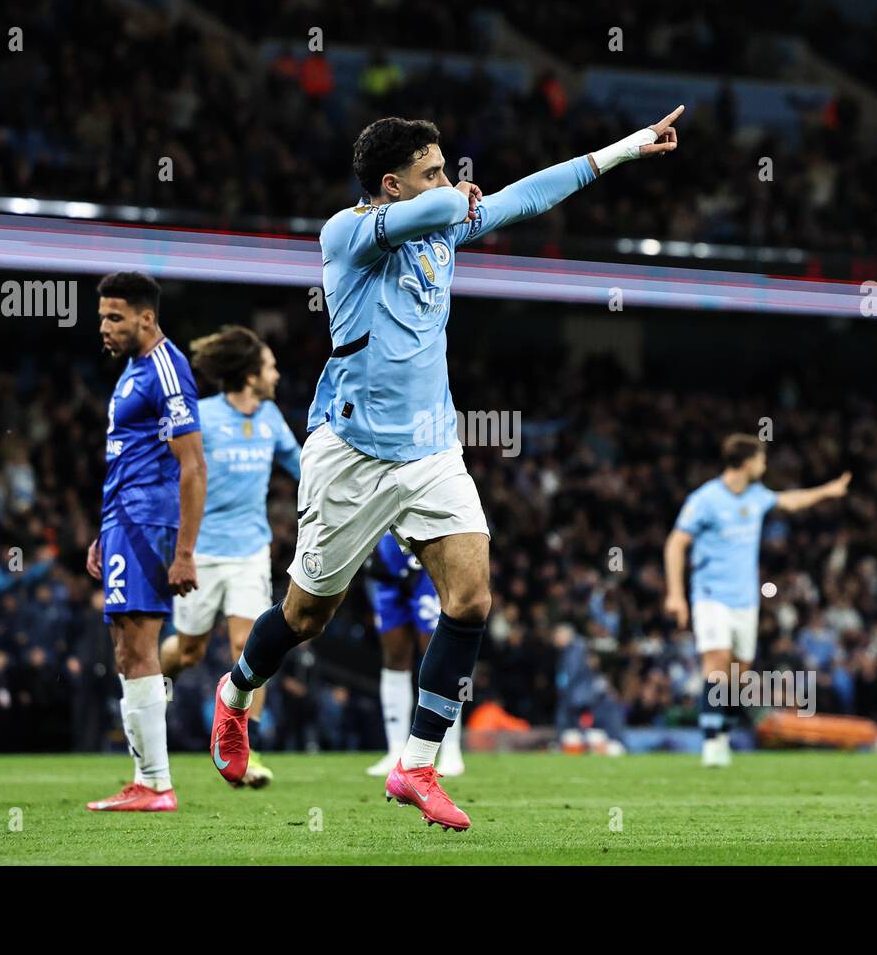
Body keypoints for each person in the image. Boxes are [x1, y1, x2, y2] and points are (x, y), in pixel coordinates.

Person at [210, 107, 686, 831]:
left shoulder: (441, 226)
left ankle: (418, 764)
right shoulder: (346, 234)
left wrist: (626, 149)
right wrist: (453, 196)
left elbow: (528, 194)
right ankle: (237, 694)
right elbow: (446, 203)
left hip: (432, 449)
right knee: (307, 614)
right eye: (433, 171)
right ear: (391, 186)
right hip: (352, 453)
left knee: (470, 600)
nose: (452, 183)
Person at [85, 272, 205, 811]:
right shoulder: (133, 371)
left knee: (139, 647)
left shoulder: (165, 368)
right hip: (123, 521)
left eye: (115, 317)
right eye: (102, 317)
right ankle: (146, 780)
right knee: (125, 649)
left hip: (148, 523)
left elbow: (193, 465)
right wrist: (104, 531)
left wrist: (183, 551)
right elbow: (131, 457)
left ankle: (156, 784)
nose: (104, 328)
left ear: (146, 318)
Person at [164, 325, 299, 788]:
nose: (276, 373)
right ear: (248, 374)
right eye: (269, 366)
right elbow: (175, 476)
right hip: (202, 551)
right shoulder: (202, 417)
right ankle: (144, 689)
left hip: (249, 551)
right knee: (188, 651)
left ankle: (246, 746)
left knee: (249, 647)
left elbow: (301, 466)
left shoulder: (271, 417)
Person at [663, 433, 850, 767]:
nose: (765, 465)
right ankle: (711, 742)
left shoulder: (757, 496)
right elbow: (676, 544)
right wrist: (676, 595)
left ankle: (724, 731)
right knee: (715, 661)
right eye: (762, 459)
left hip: (745, 601)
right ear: (747, 462)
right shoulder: (704, 499)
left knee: (738, 674)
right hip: (710, 595)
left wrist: (826, 491)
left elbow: (789, 501)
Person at [363, 532, 463, 778]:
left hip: (426, 560)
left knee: (439, 656)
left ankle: (450, 749)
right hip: (387, 563)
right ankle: (396, 749)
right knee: (394, 658)